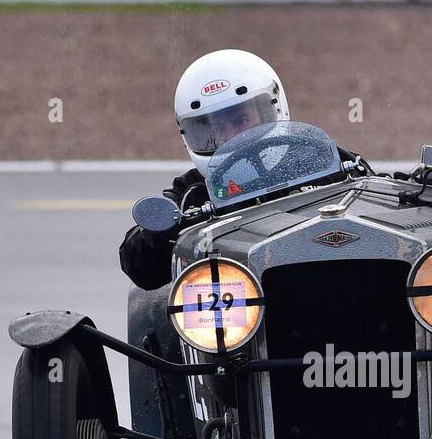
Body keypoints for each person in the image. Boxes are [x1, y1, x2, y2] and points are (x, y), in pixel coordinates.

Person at [119, 49, 365, 290]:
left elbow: (382, 202)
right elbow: (140, 269)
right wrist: (167, 232)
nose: (231, 136)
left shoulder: (322, 159)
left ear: (273, 109)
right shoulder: (192, 193)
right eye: (214, 130)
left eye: (241, 120)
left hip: (337, 284)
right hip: (241, 315)